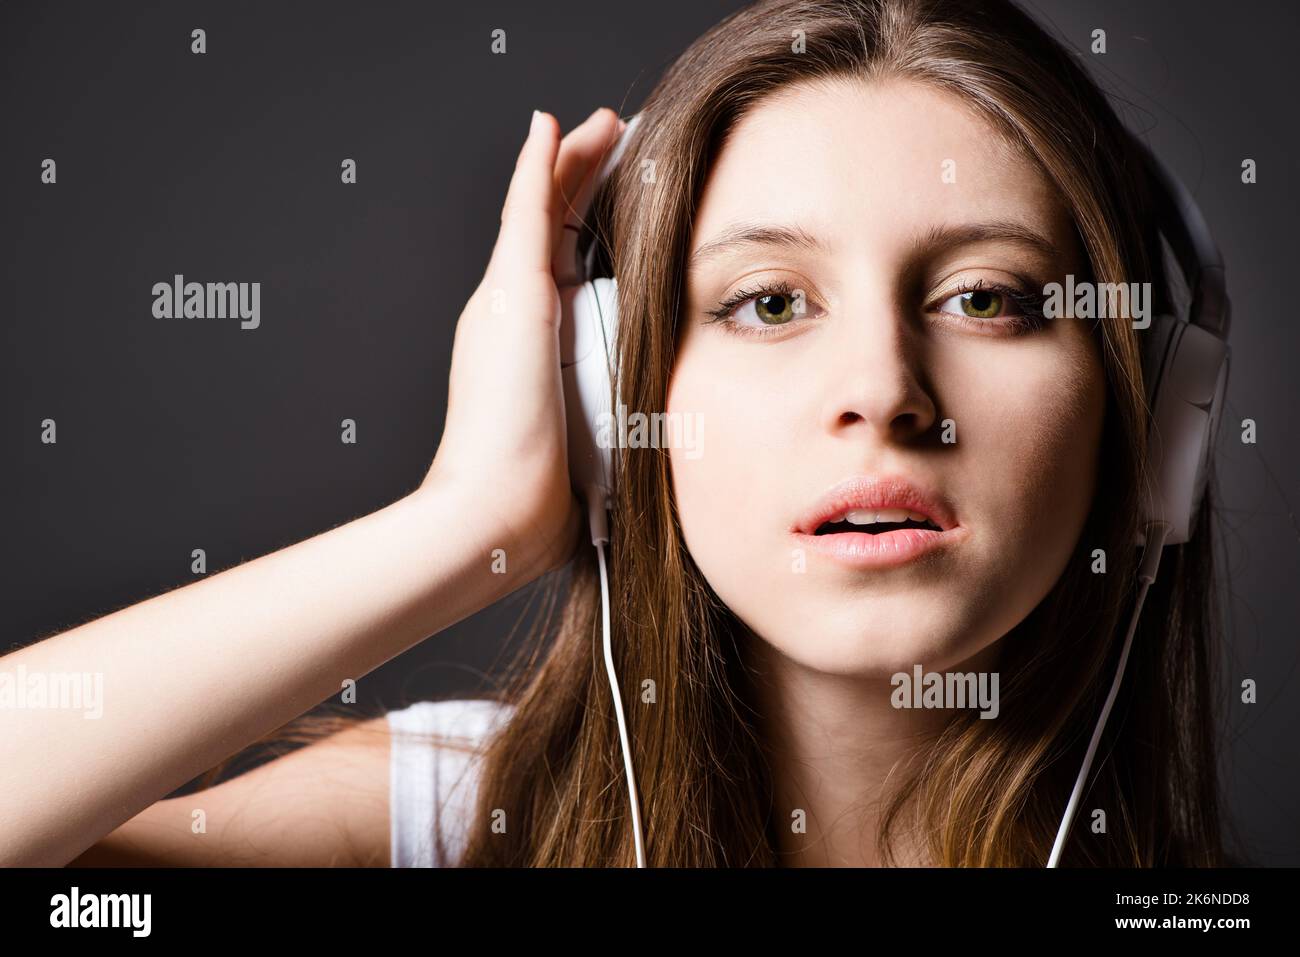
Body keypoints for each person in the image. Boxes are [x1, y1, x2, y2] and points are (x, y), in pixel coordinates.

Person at [2, 0, 1231, 868]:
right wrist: (463, 527)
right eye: (767, 302)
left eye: (984, 298)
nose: (881, 390)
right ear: (610, 396)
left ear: (1153, 411)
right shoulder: (442, 824)